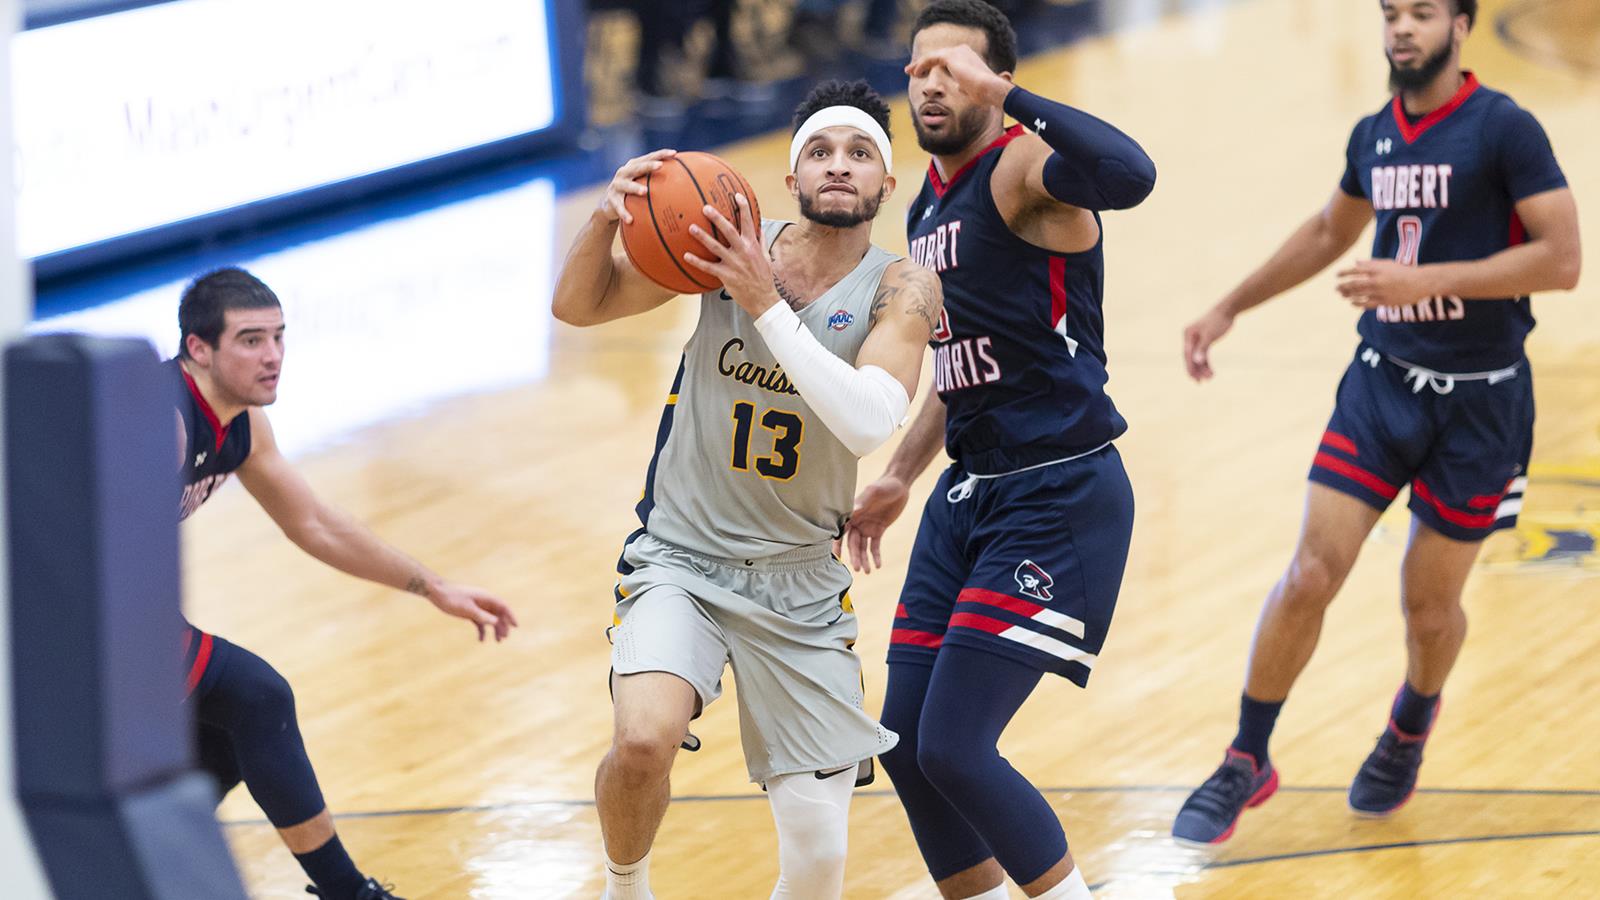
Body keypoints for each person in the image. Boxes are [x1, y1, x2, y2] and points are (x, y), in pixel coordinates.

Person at [1170, 0, 1580, 844]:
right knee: (1312, 572)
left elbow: (1562, 259)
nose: (1401, 28)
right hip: (1383, 383)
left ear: (1461, 25)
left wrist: (1431, 282)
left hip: (1483, 401)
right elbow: (1329, 231)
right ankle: (1247, 756)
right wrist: (1227, 307)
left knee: (1429, 611)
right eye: (1391, 13)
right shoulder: (1374, 133)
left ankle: (1409, 723)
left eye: (1421, 13)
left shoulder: (1505, 128)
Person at [551, 80, 941, 899]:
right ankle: (627, 889)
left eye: (860, 153)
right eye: (821, 153)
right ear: (792, 178)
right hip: (681, 558)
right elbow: (577, 306)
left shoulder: (901, 287)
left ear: (886, 185)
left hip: (798, 578)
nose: (840, 167)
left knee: (818, 853)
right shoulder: (726, 243)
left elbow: (870, 423)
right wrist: (600, 220)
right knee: (642, 743)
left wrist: (764, 304)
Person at [839, 1, 1156, 897]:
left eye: (957, 68)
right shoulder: (930, 202)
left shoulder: (1023, 169)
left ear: (994, 81)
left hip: (1057, 491)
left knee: (958, 748)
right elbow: (960, 362)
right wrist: (901, 472)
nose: (932, 82)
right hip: (969, 495)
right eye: (920, 68)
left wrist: (1014, 97)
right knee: (904, 746)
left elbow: (1130, 173)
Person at [173, 268, 519, 900]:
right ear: (199, 349)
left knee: (222, 738)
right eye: (250, 340)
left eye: (279, 336)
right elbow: (92, 553)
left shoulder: (243, 423)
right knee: (256, 697)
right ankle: (348, 894)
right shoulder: (161, 423)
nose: (273, 355)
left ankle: (140, 867)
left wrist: (431, 586)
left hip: (93, 605)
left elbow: (315, 524)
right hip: (56, 603)